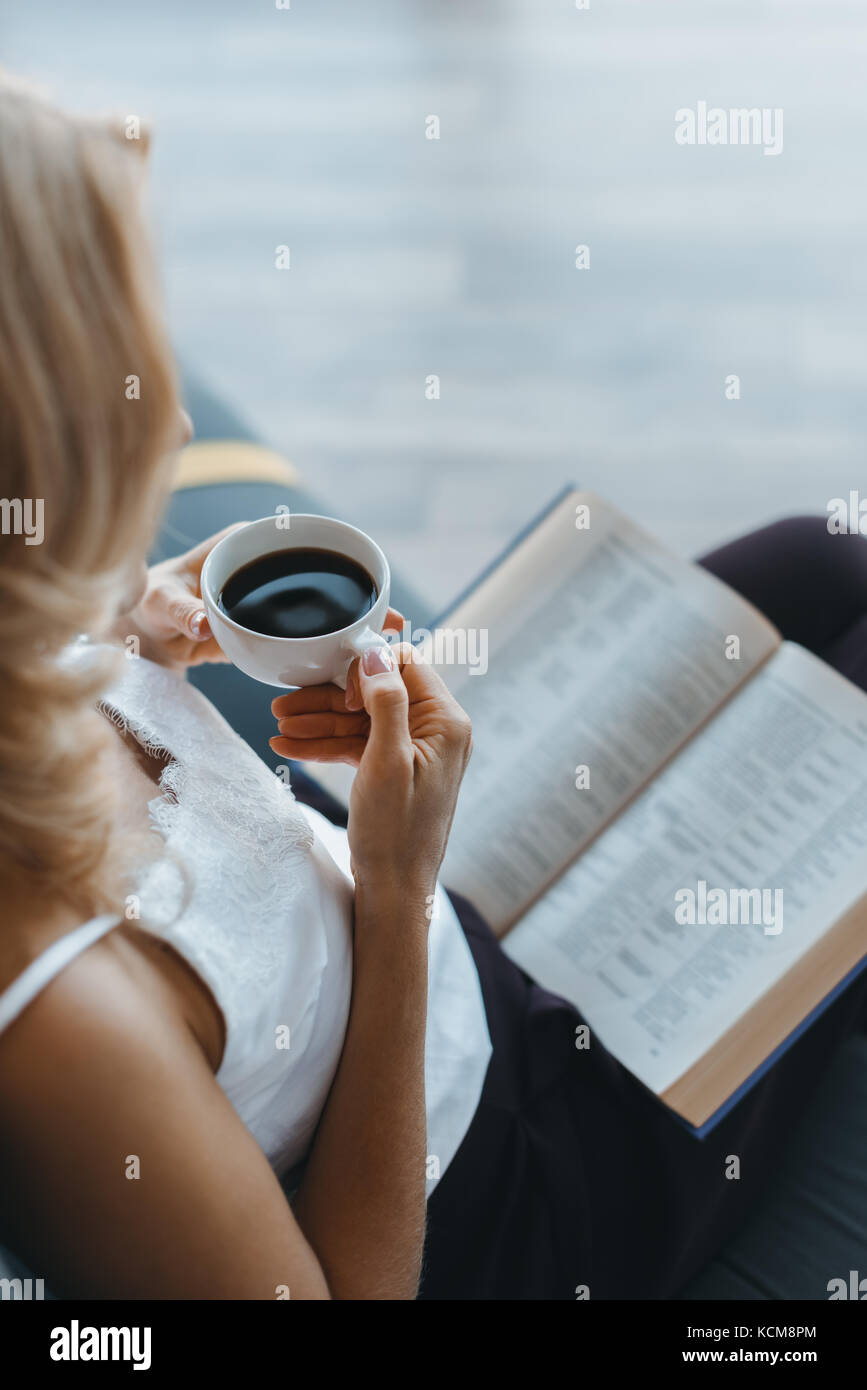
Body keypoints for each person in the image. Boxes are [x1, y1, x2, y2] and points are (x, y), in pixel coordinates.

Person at [0, 74, 864, 1302]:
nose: (181, 420)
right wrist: (397, 894)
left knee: (828, 563)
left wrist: (132, 615)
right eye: (126, 394)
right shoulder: (63, 1017)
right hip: (509, 1183)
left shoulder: (23, 622)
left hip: (459, 941)